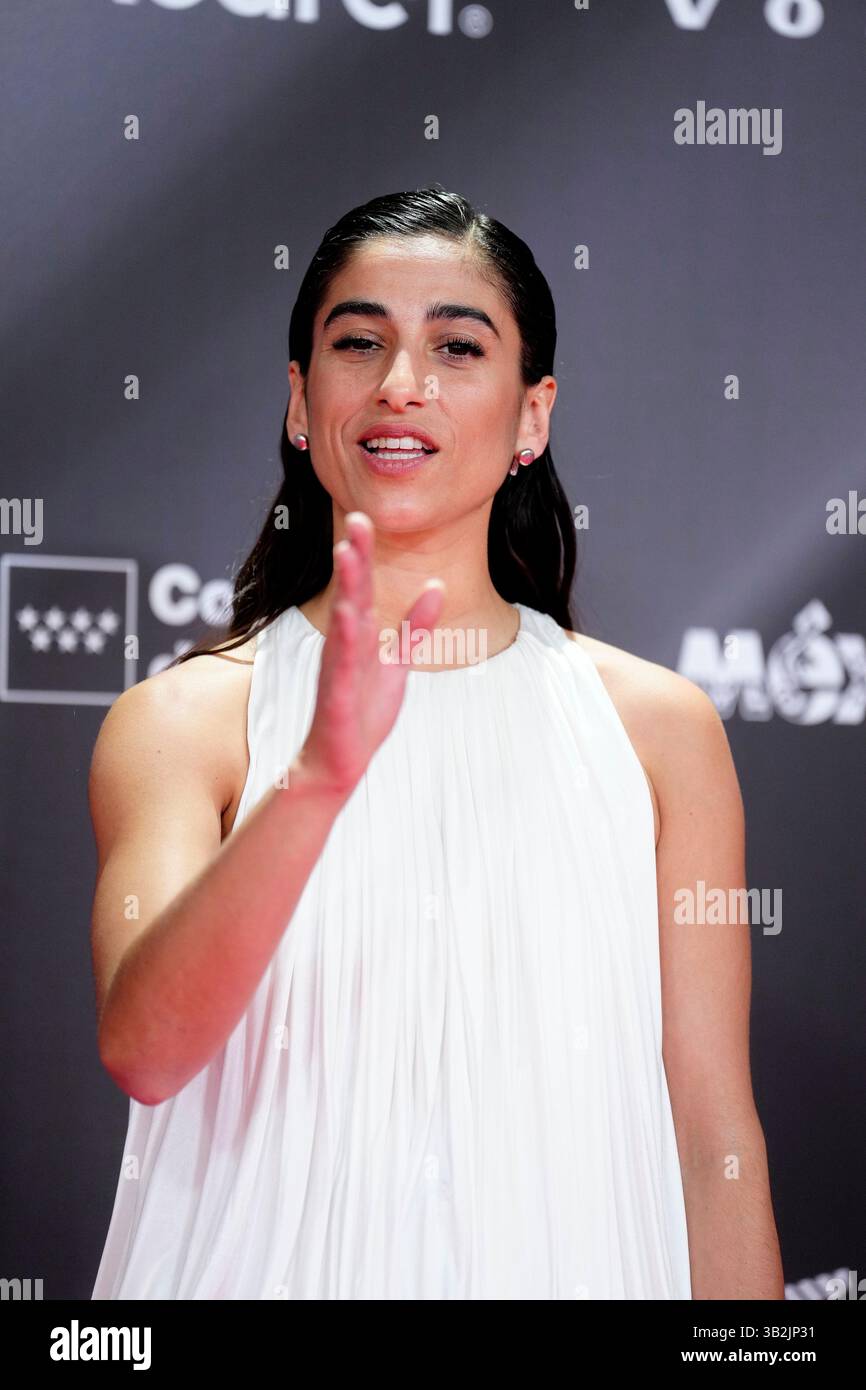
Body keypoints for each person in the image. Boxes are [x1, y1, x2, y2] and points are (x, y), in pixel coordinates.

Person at [89, 187, 784, 1300]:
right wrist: (316, 783)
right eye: (357, 341)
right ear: (299, 403)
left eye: (456, 345)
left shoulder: (656, 733)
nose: (399, 381)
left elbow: (710, 1139)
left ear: (531, 417)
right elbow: (147, 1051)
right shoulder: (184, 721)